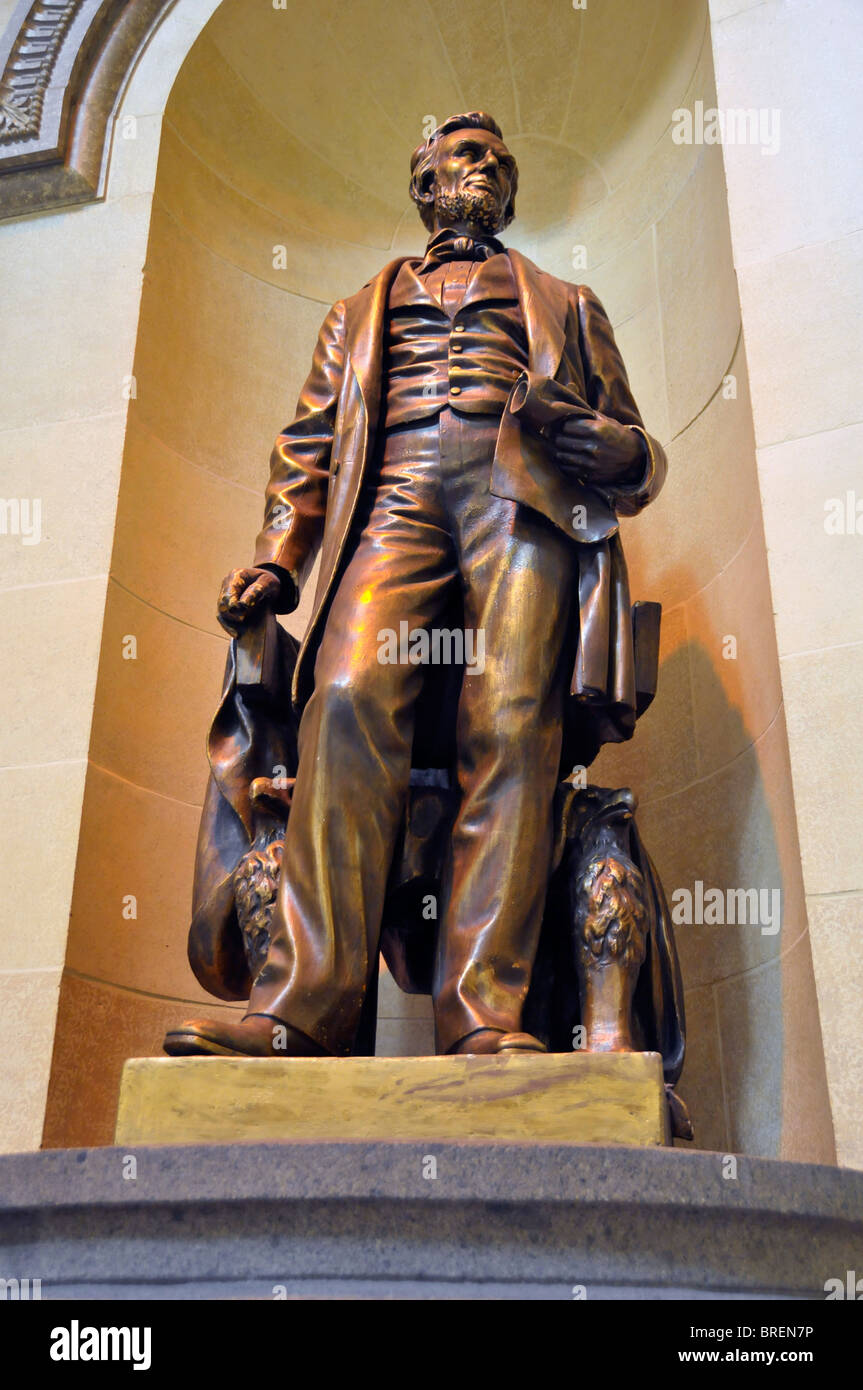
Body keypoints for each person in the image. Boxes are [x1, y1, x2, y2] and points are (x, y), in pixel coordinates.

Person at [164, 112, 666, 1061]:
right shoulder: (356, 312)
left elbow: (637, 456)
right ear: (426, 183)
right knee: (344, 696)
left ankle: (483, 1015)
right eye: (464, 155)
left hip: (524, 501)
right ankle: (302, 1007)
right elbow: (306, 447)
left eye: (496, 160)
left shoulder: (565, 299)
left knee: (513, 722)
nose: (485, 169)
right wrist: (278, 557)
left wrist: (618, 449)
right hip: (392, 500)